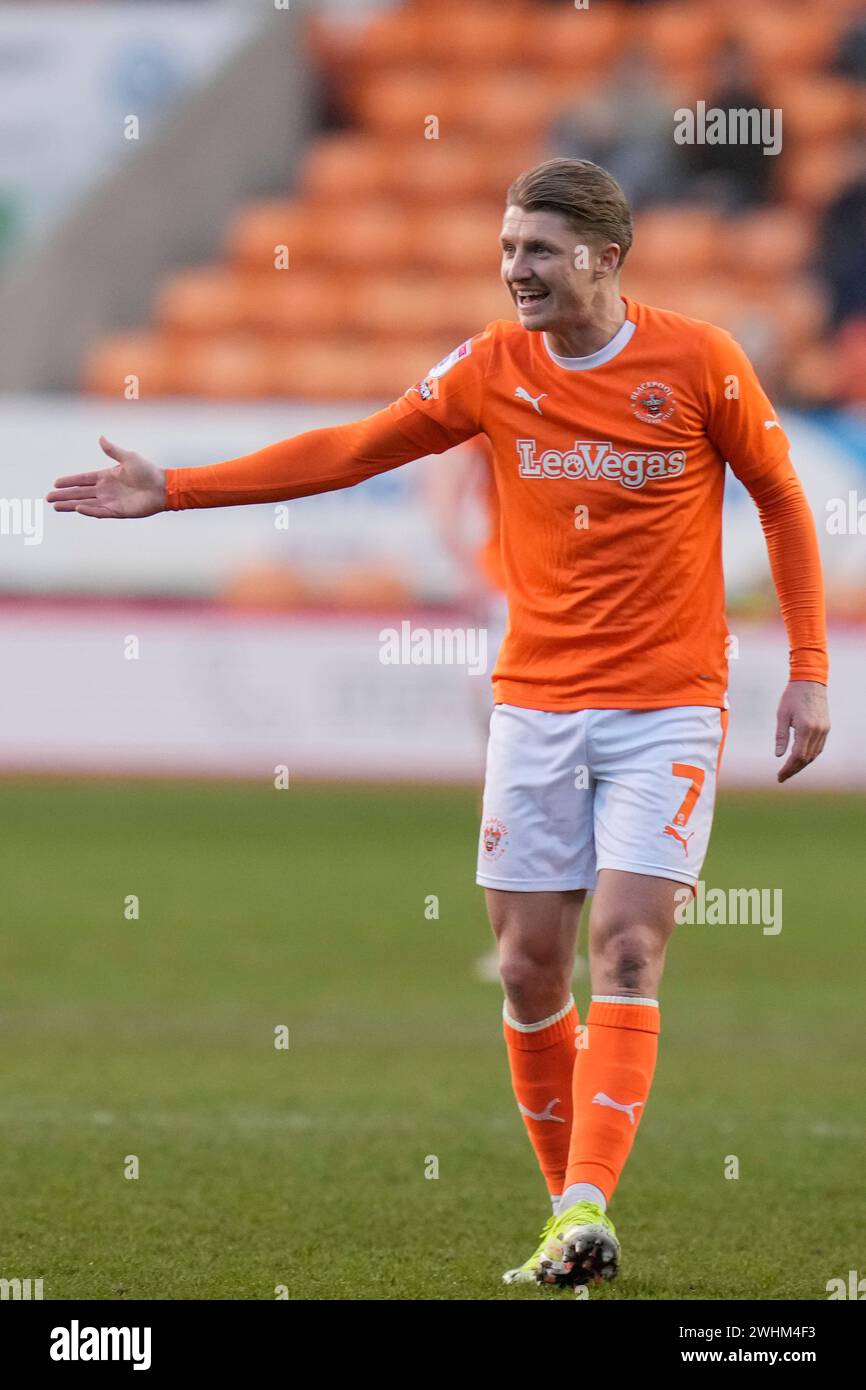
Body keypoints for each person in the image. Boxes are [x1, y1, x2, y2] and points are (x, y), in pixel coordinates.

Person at [48, 158, 830, 1292]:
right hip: (533, 703)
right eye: (508, 247)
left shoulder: (698, 360)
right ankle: (570, 1218)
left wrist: (806, 668)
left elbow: (782, 501)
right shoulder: (489, 368)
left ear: (605, 260)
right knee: (525, 966)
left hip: (667, 704)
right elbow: (354, 448)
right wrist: (179, 488)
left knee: (623, 941)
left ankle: (583, 1203)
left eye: (538, 251)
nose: (514, 269)